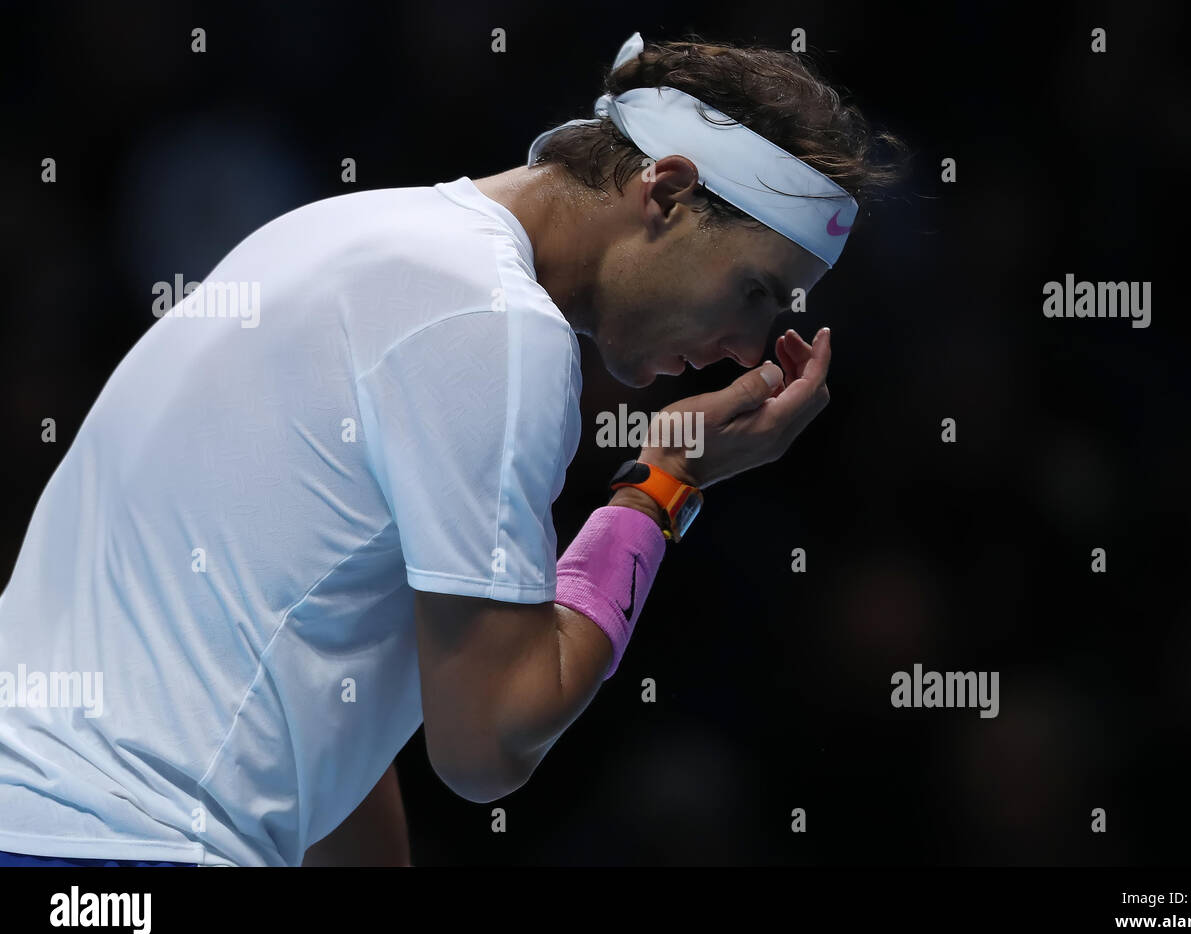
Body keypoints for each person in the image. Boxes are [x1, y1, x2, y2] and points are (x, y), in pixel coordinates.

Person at [0, 31, 903, 866]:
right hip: (119, 854)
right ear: (664, 191)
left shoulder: (344, 230)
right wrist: (664, 485)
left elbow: (324, 682)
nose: (751, 351)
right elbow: (489, 743)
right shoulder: (497, 322)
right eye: (755, 291)